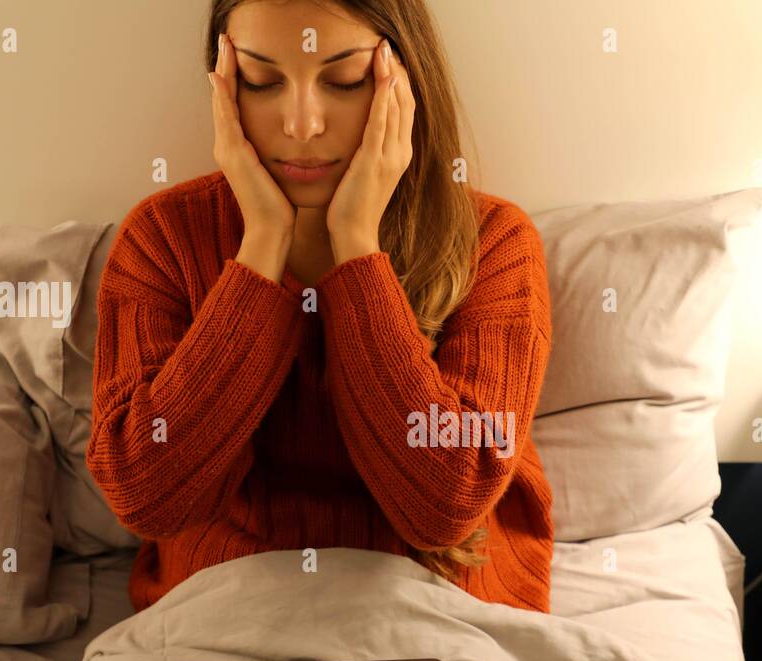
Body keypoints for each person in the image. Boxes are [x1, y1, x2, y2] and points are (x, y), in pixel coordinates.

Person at [86, 0, 554, 614]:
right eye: (261, 81)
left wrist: (356, 249)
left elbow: (446, 504)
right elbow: (146, 496)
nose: (301, 124)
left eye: (342, 80)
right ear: (223, 86)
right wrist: (261, 251)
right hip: (228, 615)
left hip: (438, 617)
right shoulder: (163, 239)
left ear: (404, 85)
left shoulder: (493, 242)